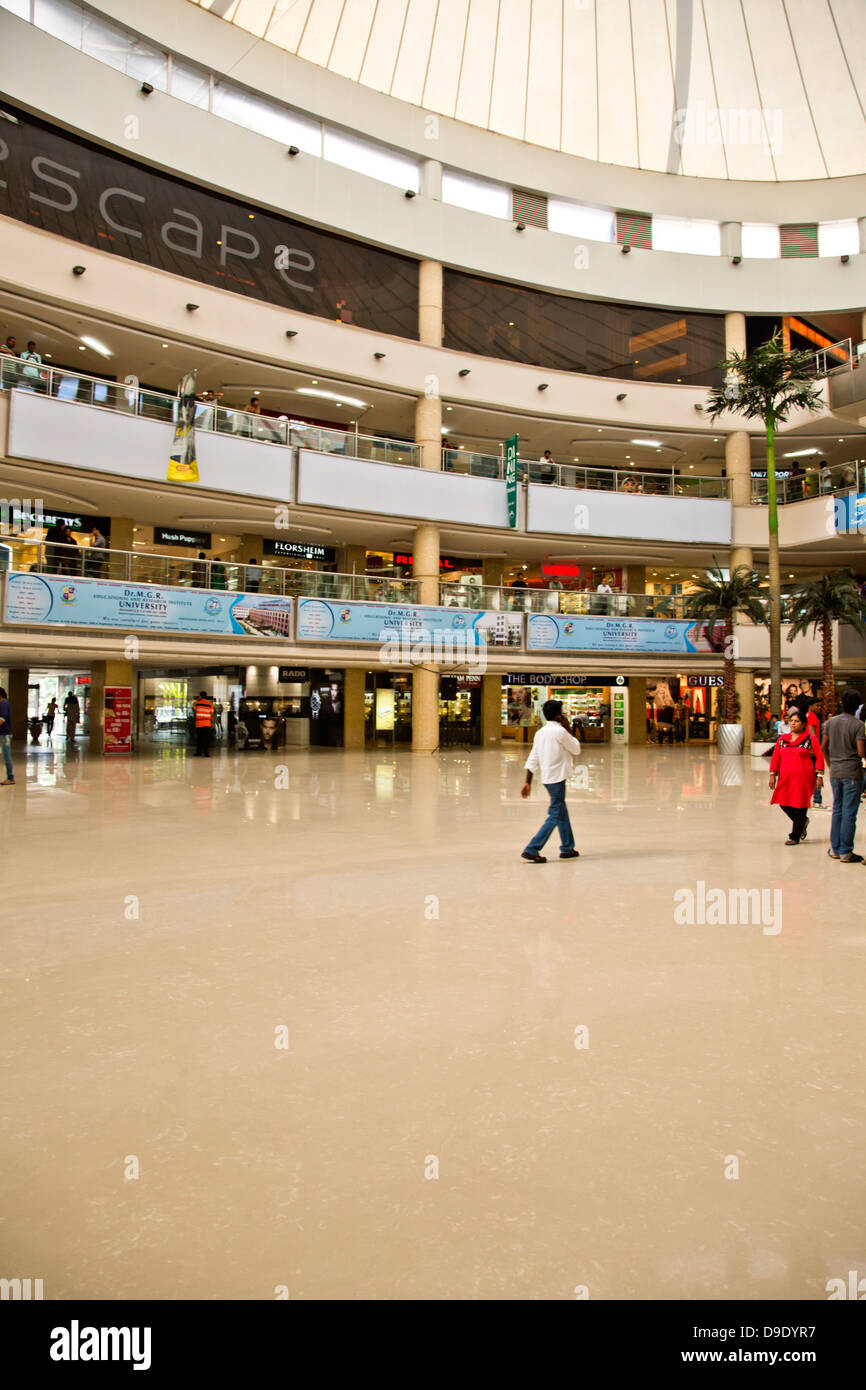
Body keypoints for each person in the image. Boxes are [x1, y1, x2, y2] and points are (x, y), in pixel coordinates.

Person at [520, 699, 582, 863]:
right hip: (558, 778)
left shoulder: (540, 733)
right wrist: (568, 727)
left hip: (547, 778)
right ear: (558, 715)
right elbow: (576, 749)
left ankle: (568, 847)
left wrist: (528, 782)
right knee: (555, 813)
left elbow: (533, 758)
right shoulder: (560, 732)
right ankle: (532, 848)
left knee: (561, 811)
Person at [822, 689, 866, 862]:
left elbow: (824, 746)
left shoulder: (830, 723)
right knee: (849, 812)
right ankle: (846, 851)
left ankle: (835, 848)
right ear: (857, 706)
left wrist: (830, 764)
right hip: (852, 773)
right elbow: (861, 752)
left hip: (836, 772)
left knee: (837, 810)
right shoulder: (858, 725)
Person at [768, 708, 824, 845]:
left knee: (800, 804)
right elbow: (775, 758)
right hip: (785, 777)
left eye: (797, 721)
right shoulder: (782, 740)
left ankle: (794, 836)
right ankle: (803, 821)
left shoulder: (810, 739)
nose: (793, 723)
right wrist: (772, 775)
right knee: (782, 802)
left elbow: (819, 757)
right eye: (791, 721)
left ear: (803, 724)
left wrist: (820, 775)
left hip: (804, 778)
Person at [806, 698, 823, 806]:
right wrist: (816, 749)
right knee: (817, 774)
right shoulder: (812, 716)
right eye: (817, 705)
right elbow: (812, 732)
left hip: (807, 749)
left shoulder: (807, 715)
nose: (819, 708)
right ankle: (817, 800)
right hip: (812, 750)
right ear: (811, 706)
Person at [192, 690, 214, 757]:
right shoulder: (210, 704)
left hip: (199, 723)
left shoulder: (197, 703)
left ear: (200, 696)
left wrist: (198, 700)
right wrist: (211, 723)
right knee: (206, 739)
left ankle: (199, 752)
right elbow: (212, 714)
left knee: (199, 738)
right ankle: (206, 753)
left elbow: (194, 710)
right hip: (207, 723)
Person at [0, 686, 14, 785]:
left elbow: (2, 719)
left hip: (5, 734)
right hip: (2, 733)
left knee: (6, 755)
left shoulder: (3, 703)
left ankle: (10, 777)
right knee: (6, 755)